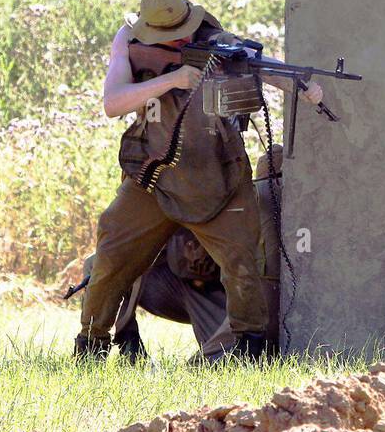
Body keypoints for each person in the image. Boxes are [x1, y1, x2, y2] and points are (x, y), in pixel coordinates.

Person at [75, 0, 317, 363]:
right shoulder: (128, 38)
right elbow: (113, 102)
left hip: (217, 177)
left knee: (242, 263)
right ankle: (92, 345)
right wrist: (173, 79)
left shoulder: (216, 39)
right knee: (111, 252)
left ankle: (248, 351)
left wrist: (303, 86)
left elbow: (264, 69)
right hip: (153, 174)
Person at [105, 146, 284, 364]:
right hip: (174, 285)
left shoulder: (245, 201)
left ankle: (211, 359)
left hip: (218, 295)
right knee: (114, 264)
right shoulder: (166, 198)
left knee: (230, 353)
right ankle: (129, 345)